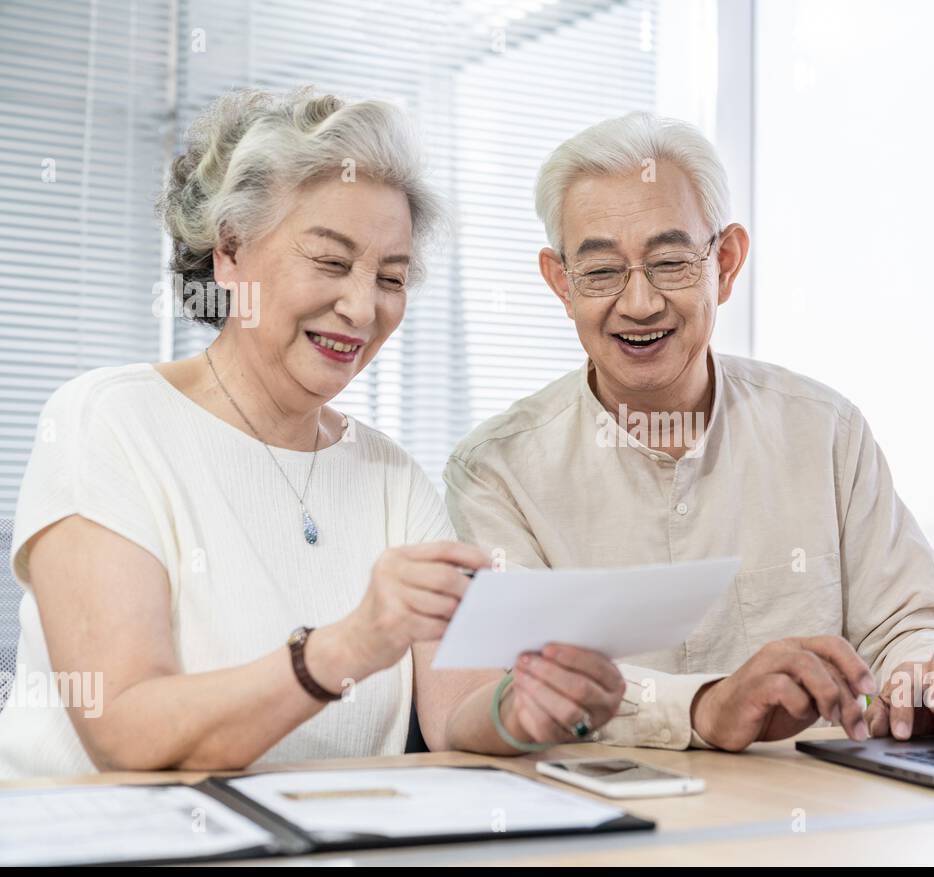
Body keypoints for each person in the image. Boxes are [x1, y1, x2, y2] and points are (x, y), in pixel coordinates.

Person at [0, 89, 621, 778]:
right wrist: (348, 644)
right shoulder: (107, 421)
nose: (362, 307)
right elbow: (126, 732)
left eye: (391, 277)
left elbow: (454, 714)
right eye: (330, 262)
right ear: (230, 252)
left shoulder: (391, 476)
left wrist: (523, 708)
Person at [439, 112, 934, 752]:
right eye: (602, 271)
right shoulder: (494, 471)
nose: (638, 304)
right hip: (599, 831)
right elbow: (520, 685)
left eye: (669, 262)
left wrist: (924, 670)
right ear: (562, 283)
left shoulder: (823, 430)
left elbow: (911, 619)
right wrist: (703, 706)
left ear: (725, 263)